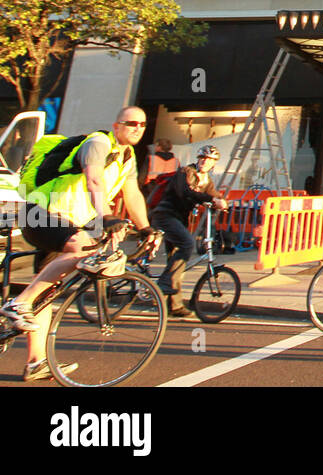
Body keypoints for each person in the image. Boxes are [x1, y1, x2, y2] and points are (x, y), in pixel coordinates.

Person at [1, 106, 160, 381]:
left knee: (47, 291)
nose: (137, 128)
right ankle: (17, 305)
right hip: (40, 214)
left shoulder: (128, 157)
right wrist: (106, 217)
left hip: (66, 222)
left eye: (143, 124)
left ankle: (36, 362)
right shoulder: (99, 143)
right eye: (131, 123)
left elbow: (132, 194)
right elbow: (93, 177)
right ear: (117, 124)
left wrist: (146, 228)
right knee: (80, 247)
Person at [149, 143, 230, 318]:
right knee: (187, 244)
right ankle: (163, 283)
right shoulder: (185, 172)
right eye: (202, 158)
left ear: (214, 163)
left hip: (179, 219)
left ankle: (175, 306)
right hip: (165, 215)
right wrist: (209, 198)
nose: (205, 162)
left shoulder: (207, 180)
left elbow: (214, 195)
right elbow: (184, 192)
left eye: (209, 160)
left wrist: (222, 202)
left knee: (178, 261)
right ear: (198, 159)